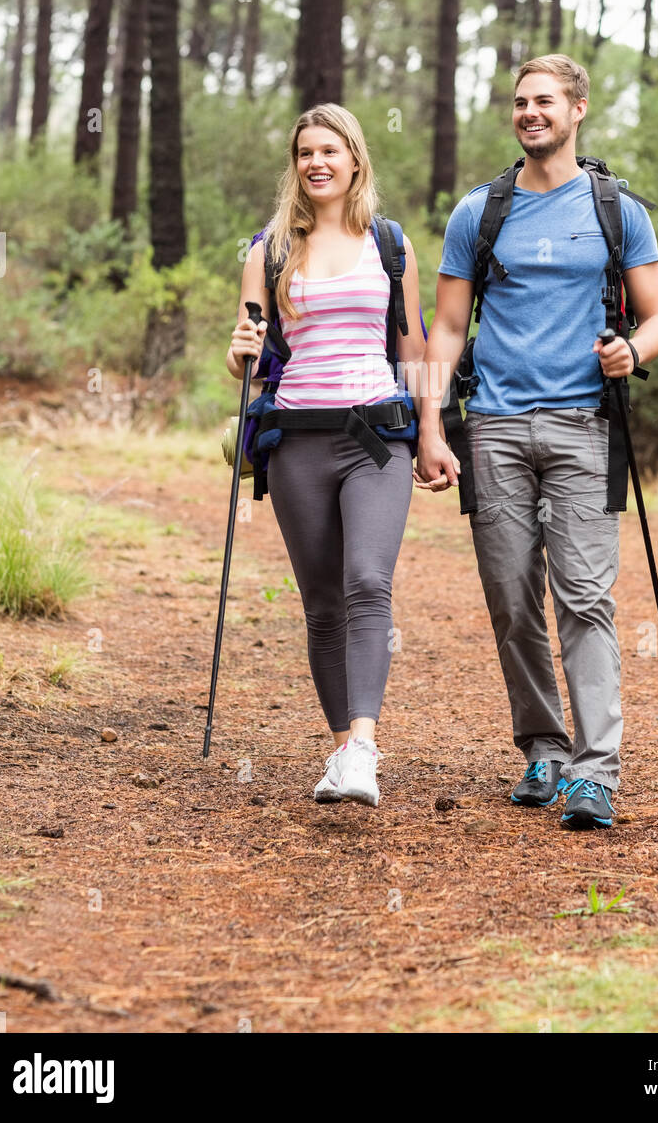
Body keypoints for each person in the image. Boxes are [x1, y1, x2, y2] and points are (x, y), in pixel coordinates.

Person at [417, 54, 658, 831]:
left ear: (578, 109)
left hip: (586, 428)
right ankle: (544, 749)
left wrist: (635, 351)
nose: (531, 113)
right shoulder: (480, 213)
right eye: (522, 103)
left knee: (586, 598)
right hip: (492, 427)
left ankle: (596, 773)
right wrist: (430, 424)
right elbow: (449, 328)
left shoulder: (615, 209)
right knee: (510, 598)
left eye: (546, 102)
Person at [227, 104, 427, 808]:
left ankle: (365, 748)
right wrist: (238, 352)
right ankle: (342, 746)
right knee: (320, 604)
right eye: (306, 152)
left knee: (368, 582)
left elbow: (414, 352)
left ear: (354, 160)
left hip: (375, 437)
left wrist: (430, 435)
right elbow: (247, 349)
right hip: (296, 441)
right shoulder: (271, 249)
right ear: (297, 164)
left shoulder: (390, 245)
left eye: (330, 151)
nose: (317, 162)